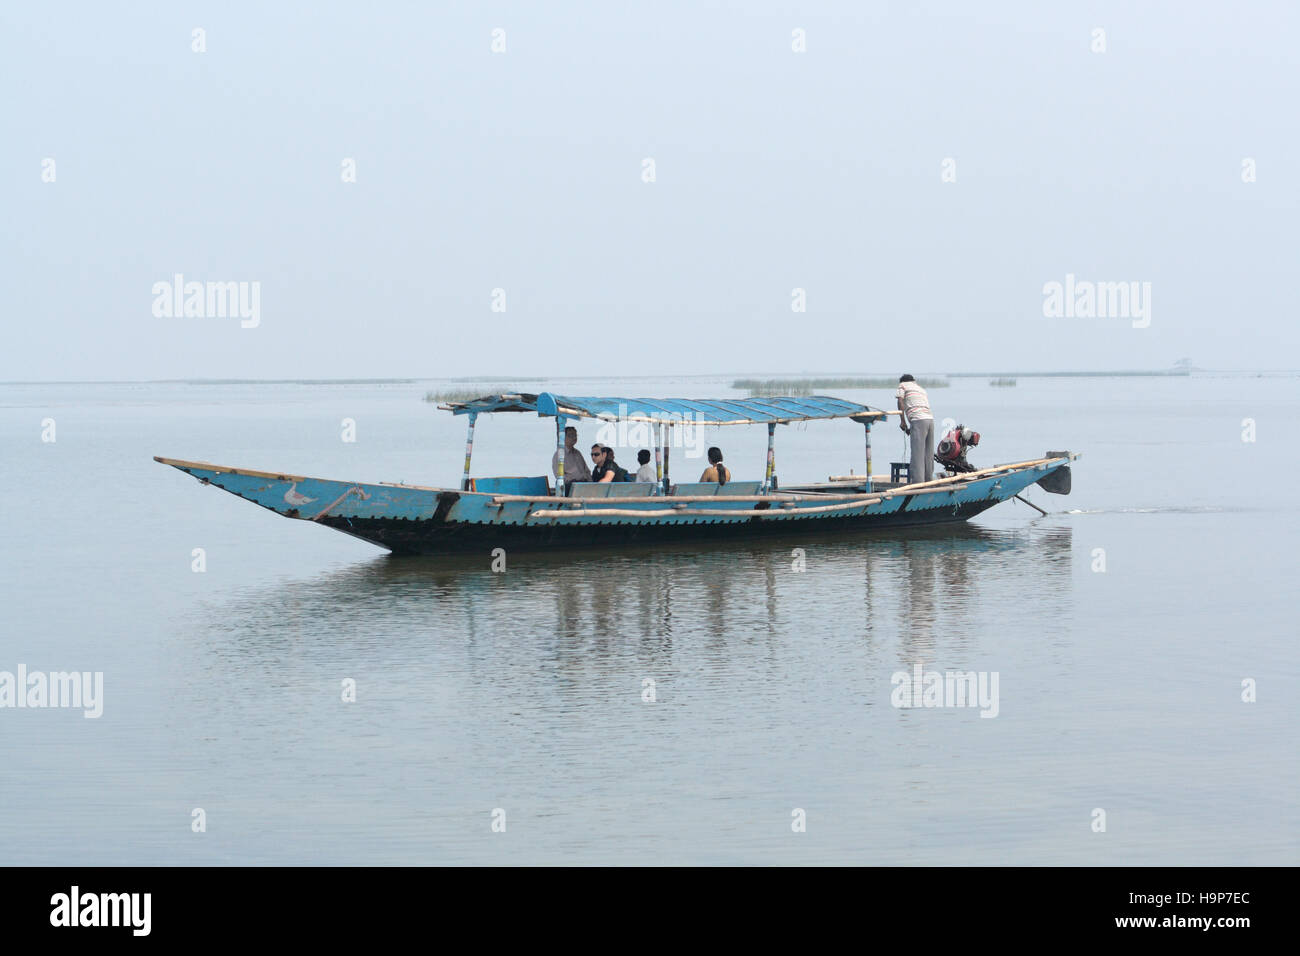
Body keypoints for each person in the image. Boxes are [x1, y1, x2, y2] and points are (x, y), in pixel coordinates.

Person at [896, 374, 934, 484]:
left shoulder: (902, 386)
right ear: (914, 381)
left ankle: (918, 482)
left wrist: (902, 421)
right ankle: (929, 481)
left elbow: (900, 401)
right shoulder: (921, 389)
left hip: (918, 420)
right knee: (928, 453)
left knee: (917, 453)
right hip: (930, 420)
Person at [551, 426, 591, 494]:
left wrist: (590, 483)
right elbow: (559, 476)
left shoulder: (577, 453)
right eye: (571, 435)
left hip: (584, 485)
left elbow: (587, 471)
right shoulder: (559, 455)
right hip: (570, 487)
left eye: (575, 435)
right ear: (563, 437)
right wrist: (573, 480)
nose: (574, 437)